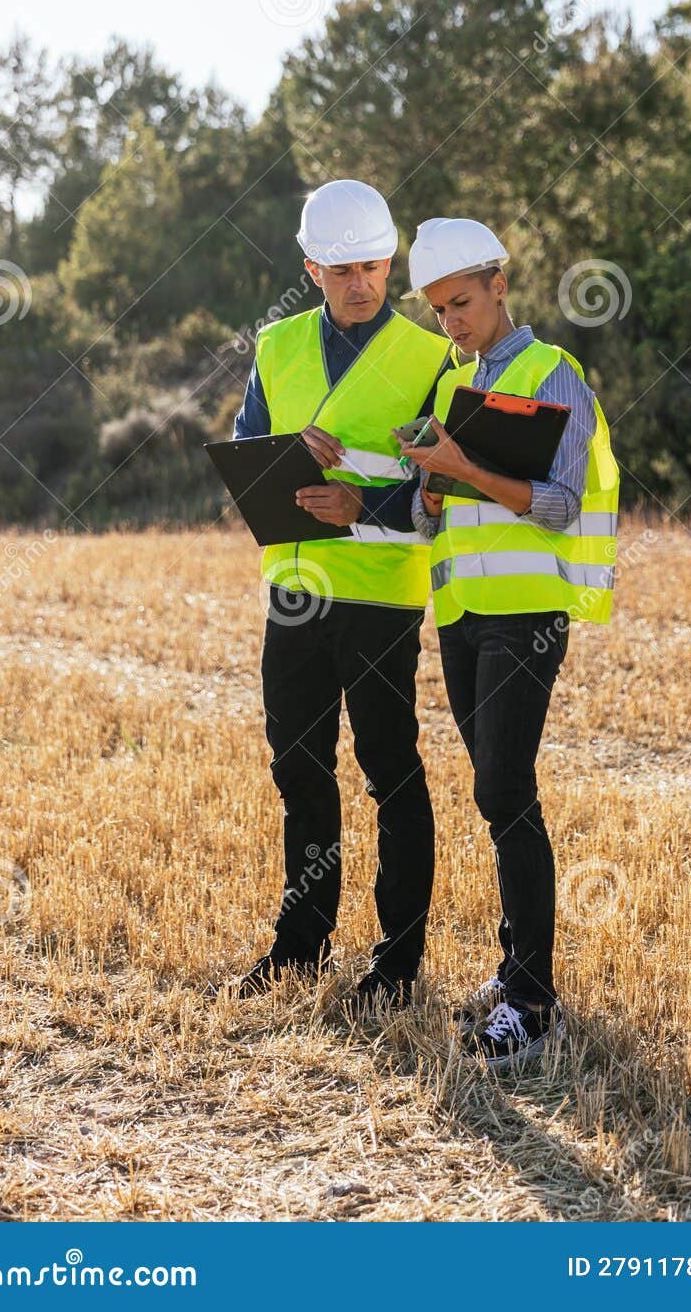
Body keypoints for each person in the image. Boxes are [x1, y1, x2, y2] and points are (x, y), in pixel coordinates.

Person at [209, 180, 454, 1011]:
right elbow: (248, 460)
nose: (362, 282)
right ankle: (299, 950)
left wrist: (364, 505)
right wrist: (285, 454)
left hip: (384, 591)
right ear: (312, 268)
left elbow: (443, 491)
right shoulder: (274, 346)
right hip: (296, 593)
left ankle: (395, 965)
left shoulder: (431, 357)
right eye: (343, 268)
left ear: (391, 262)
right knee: (298, 768)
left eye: (376, 266)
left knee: (391, 771)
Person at [397, 217, 619, 1069]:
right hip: (461, 617)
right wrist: (429, 481)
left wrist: (468, 468)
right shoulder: (449, 391)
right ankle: (515, 966)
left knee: (503, 784)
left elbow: (561, 505)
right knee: (495, 796)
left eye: (461, 302)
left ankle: (531, 999)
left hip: (529, 612)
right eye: (438, 309)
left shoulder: (550, 372)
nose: (451, 321)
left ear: (498, 285)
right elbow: (429, 520)